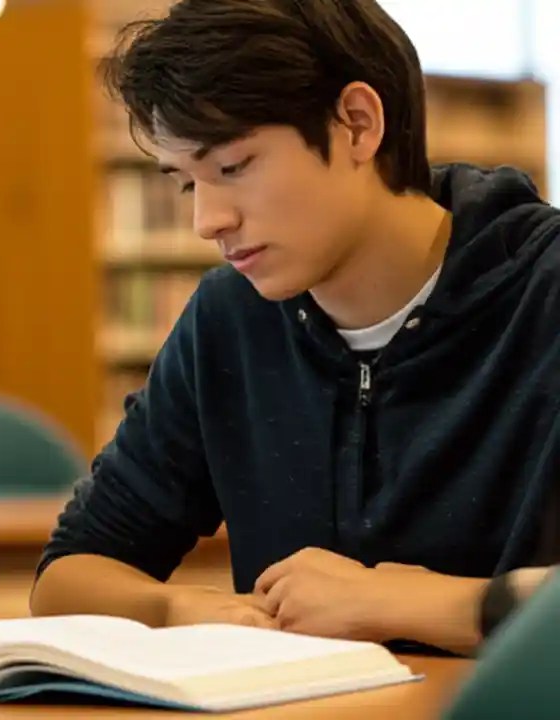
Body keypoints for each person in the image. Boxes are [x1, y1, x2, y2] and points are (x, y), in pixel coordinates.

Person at [29, 0, 560, 657]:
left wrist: (400, 601)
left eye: (233, 167)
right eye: (188, 184)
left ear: (358, 126)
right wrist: (176, 608)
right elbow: (67, 575)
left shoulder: (545, 290)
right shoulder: (230, 319)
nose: (208, 222)